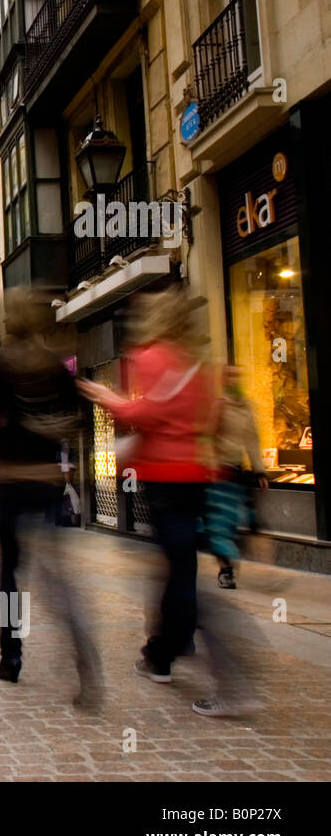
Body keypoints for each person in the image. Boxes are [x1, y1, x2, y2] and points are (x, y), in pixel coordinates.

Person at [80, 290, 256, 716]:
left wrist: (107, 399)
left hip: (165, 478)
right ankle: (160, 654)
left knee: (181, 577)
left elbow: (148, 413)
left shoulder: (151, 357)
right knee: (178, 569)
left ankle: (226, 678)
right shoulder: (200, 364)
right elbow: (210, 419)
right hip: (196, 475)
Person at [0, 289, 100, 705]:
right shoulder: (54, 367)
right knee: (56, 577)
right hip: (48, 483)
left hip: (12, 484)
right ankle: (83, 654)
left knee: (9, 575)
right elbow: (79, 421)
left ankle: (10, 657)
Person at [204, 365, 268, 589]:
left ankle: (230, 558)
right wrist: (211, 468)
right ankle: (226, 569)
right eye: (230, 375)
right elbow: (208, 437)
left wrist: (260, 470)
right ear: (223, 380)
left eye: (238, 375)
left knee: (234, 521)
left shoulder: (246, 407)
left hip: (237, 470)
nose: (234, 379)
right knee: (219, 524)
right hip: (219, 472)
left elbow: (252, 439)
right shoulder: (219, 405)